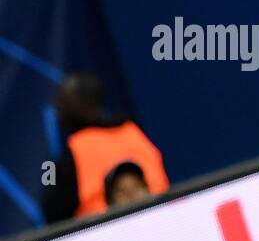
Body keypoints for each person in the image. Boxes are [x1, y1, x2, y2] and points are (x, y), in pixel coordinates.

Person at [43, 72, 169, 224]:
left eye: (63, 101)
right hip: (163, 224)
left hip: (108, 238)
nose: (58, 109)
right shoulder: (134, 131)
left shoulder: (74, 151)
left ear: (82, 104)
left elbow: (52, 211)